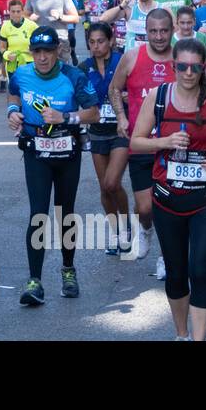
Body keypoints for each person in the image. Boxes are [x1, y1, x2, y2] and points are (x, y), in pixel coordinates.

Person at [130, 38, 206, 340]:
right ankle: (182, 334)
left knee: (200, 269)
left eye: (194, 67)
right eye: (181, 66)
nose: (187, 73)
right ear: (173, 67)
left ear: (203, 68)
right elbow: (136, 141)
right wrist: (164, 142)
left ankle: (199, 338)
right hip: (168, 199)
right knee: (177, 272)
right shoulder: (158, 97)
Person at [8, 27, 100, 305]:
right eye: (38, 52)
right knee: (38, 212)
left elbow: (94, 113)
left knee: (65, 212)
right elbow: (13, 95)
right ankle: (34, 281)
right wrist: (12, 112)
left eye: (48, 51)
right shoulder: (21, 74)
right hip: (36, 149)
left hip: (66, 151)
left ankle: (68, 270)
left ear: (57, 51)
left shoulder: (74, 76)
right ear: (32, 52)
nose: (43, 58)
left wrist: (65, 117)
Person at [108, 8, 176, 277]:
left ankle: (167, 258)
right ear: (145, 32)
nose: (159, 37)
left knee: (170, 207)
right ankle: (145, 228)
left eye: (164, 31)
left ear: (172, 31)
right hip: (141, 143)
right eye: (153, 31)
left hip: (173, 146)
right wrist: (121, 116)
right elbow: (115, 89)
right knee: (146, 208)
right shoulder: (132, 57)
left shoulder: (182, 58)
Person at [81, 22, 130, 255]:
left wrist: (128, 98)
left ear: (110, 41)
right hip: (97, 132)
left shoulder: (122, 61)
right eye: (92, 42)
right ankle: (116, 231)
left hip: (120, 131)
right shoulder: (84, 67)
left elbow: (136, 88)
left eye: (101, 41)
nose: (96, 46)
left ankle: (127, 224)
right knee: (104, 188)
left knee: (112, 182)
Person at [26, 0, 81, 65]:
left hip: (59, 40)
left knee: (61, 72)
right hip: (40, 40)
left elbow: (75, 18)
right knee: (42, 73)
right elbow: (24, 14)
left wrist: (60, 17)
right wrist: (30, 17)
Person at [0, 0, 38, 80]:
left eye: (18, 11)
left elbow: (40, 45)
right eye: (13, 11)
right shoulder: (5, 26)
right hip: (13, 63)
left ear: (22, 11)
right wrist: (7, 55)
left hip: (29, 63)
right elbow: (2, 47)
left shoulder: (32, 25)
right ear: (9, 12)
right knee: (14, 90)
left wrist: (34, 50)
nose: (15, 14)